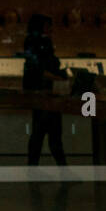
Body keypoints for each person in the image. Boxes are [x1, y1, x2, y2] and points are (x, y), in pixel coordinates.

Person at [23, 13, 67, 167]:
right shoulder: (37, 43)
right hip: (44, 93)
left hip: (45, 92)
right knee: (47, 131)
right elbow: (39, 70)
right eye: (48, 26)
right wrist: (58, 77)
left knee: (42, 131)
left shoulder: (37, 43)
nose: (51, 29)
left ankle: (35, 166)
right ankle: (61, 168)